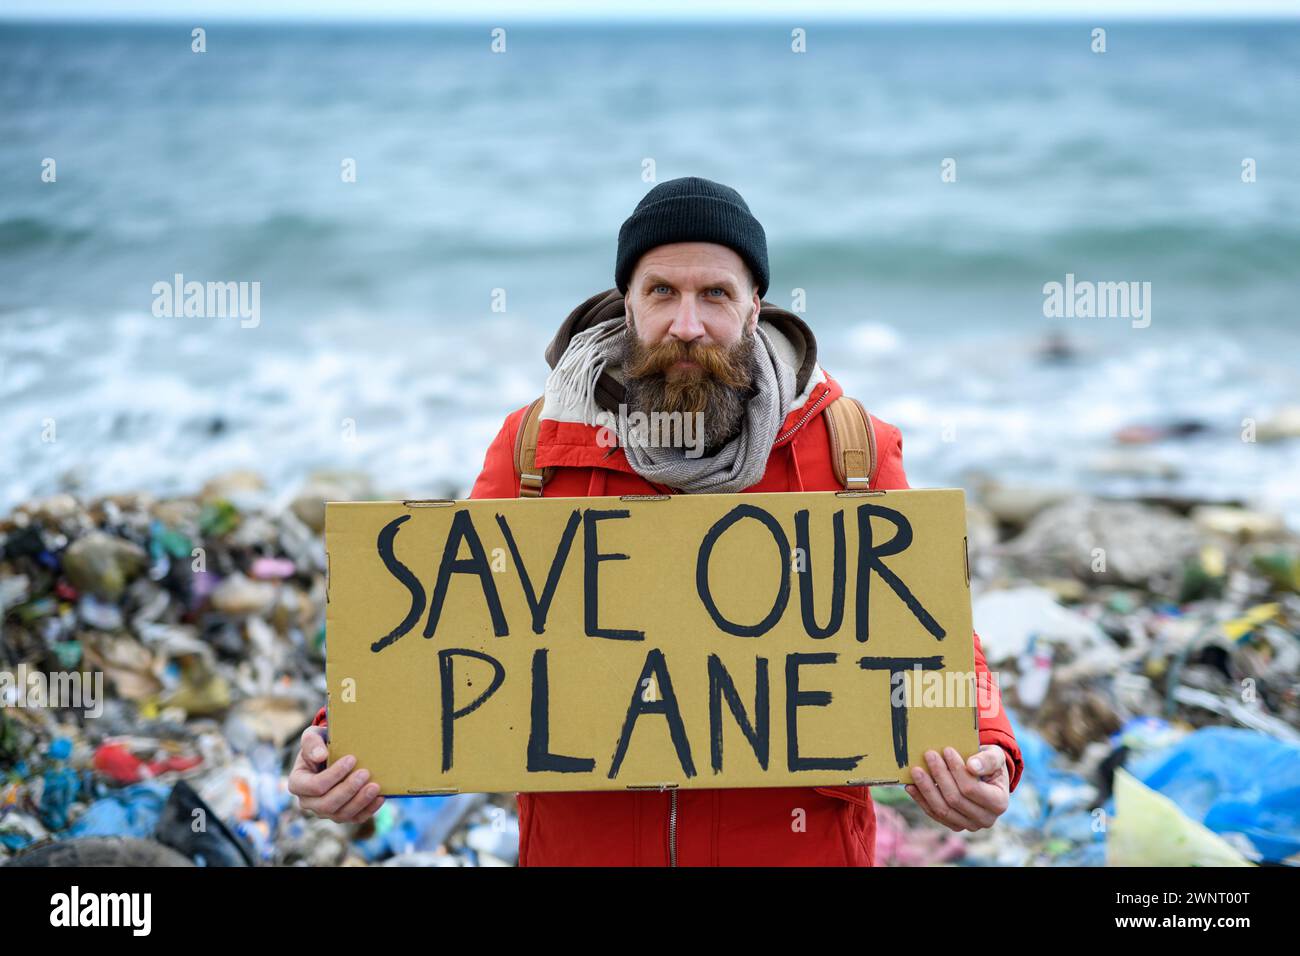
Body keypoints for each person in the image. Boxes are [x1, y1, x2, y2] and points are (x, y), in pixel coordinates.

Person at [289, 176, 1022, 865]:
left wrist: (988, 745)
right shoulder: (536, 448)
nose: (687, 324)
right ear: (627, 300)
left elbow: (935, 635)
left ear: (755, 306)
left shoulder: (848, 449)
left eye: (716, 294)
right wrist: (340, 741)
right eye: (662, 291)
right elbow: (444, 631)